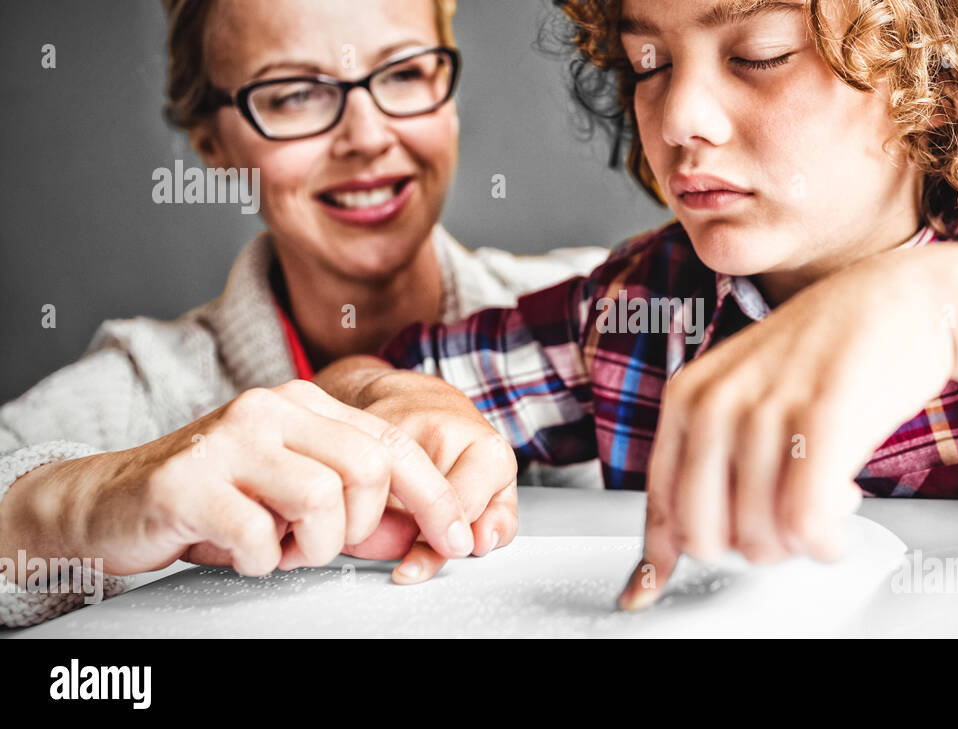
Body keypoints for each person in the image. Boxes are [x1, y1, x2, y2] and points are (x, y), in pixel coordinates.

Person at [316, 0, 958, 612]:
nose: (679, 121)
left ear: (936, 71)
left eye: (761, 52)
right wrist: (406, 411)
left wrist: (957, 309)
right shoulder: (635, 309)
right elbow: (362, 383)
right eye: (648, 62)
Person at [0, 0, 609, 628]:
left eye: (403, 72)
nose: (369, 137)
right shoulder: (140, 393)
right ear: (212, 142)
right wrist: (79, 507)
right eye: (295, 95)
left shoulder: (612, 318)